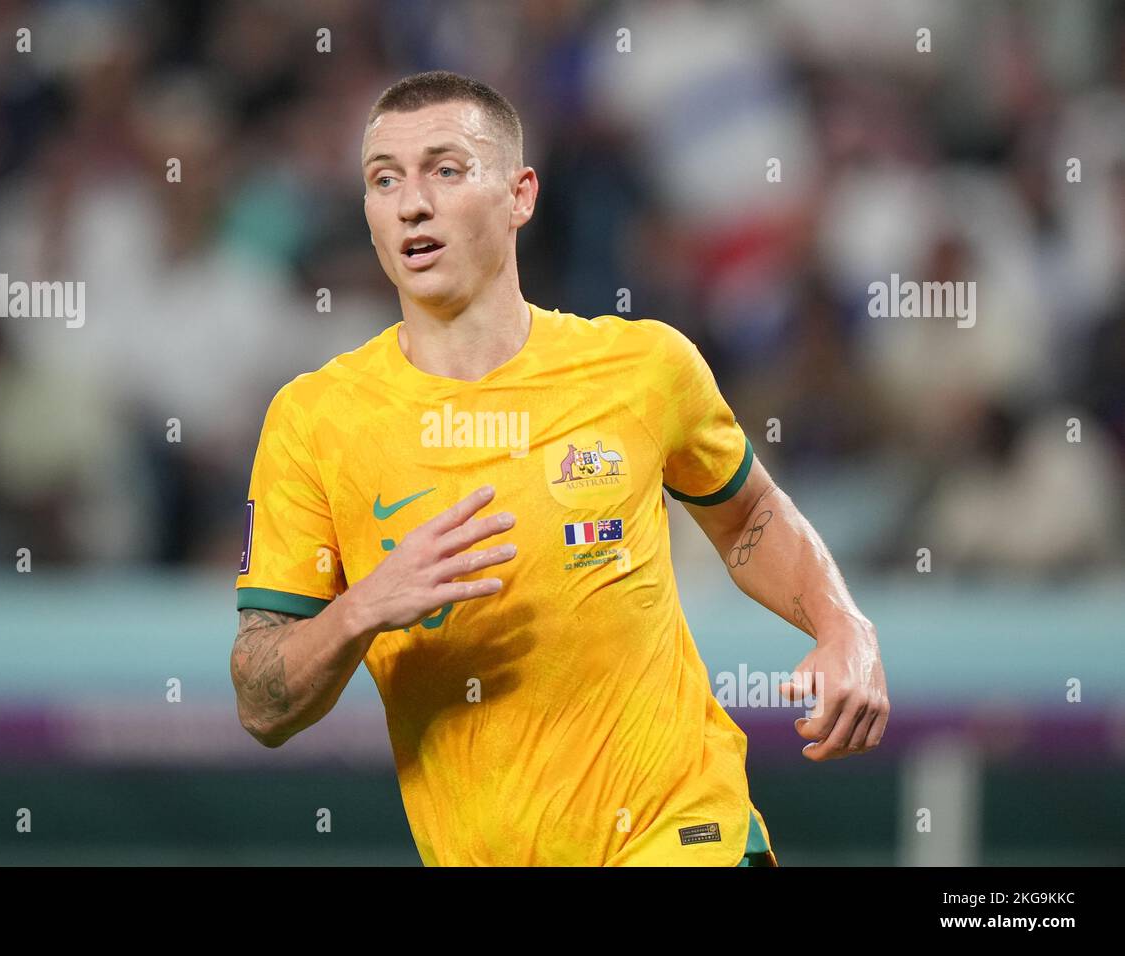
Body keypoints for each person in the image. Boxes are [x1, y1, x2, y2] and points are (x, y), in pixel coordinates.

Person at [231, 70, 888, 866]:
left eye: (445, 169)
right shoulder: (316, 420)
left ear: (520, 194)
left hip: (683, 834)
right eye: (383, 179)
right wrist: (361, 607)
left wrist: (842, 624)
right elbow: (262, 700)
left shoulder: (643, 366)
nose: (412, 203)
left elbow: (748, 514)